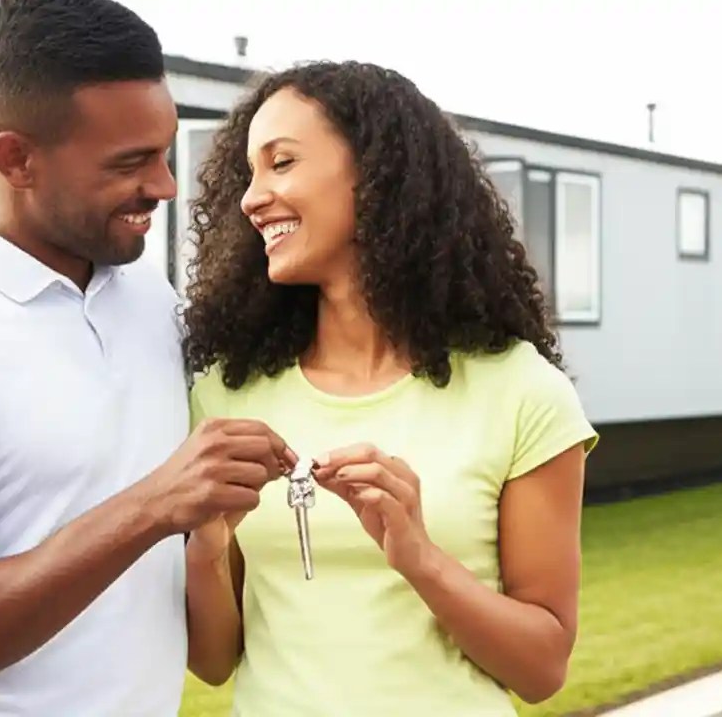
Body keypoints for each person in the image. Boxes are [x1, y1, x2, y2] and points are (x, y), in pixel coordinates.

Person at [0, 0, 294, 714]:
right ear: (16, 158)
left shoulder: (145, 294)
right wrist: (154, 506)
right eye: (132, 162)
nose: (167, 186)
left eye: (165, 151)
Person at [180, 60, 600, 716]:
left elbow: (542, 667)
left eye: (281, 163)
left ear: (377, 176)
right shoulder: (226, 396)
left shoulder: (521, 392)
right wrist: (205, 545)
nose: (250, 197)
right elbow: (212, 663)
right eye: (248, 172)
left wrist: (418, 557)